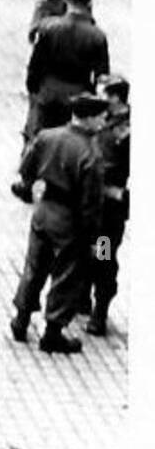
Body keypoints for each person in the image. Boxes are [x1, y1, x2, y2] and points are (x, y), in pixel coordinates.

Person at [10, 93, 107, 354]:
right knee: (66, 276)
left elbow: (26, 169)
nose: (103, 122)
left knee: (34, 267)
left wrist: (32, 189)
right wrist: (96, 242)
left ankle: (21, 320)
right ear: (88, 119)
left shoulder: (47, 136)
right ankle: (53, 332)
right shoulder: (91, 154)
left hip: (44, 212)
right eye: (100, 117)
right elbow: (91, 205)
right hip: (71, 221)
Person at [23, 0, 109, 149]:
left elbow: (36, 63)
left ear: (66, 1)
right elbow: (102, 74)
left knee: (40, 138)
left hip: (48, 92)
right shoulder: (98, 36)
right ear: (89, 3)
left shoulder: (49, 28)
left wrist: (33, 88)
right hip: (77, 95)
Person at [87, 74, 131, 337]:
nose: (99, 97)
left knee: (102, 256)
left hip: (108, 212)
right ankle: (82, 300)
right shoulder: (101, 119)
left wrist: (120, 194)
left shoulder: (129, 131)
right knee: (85, 253)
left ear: (115, 98)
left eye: (103, 94)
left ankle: (99, 309)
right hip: (90, 205)